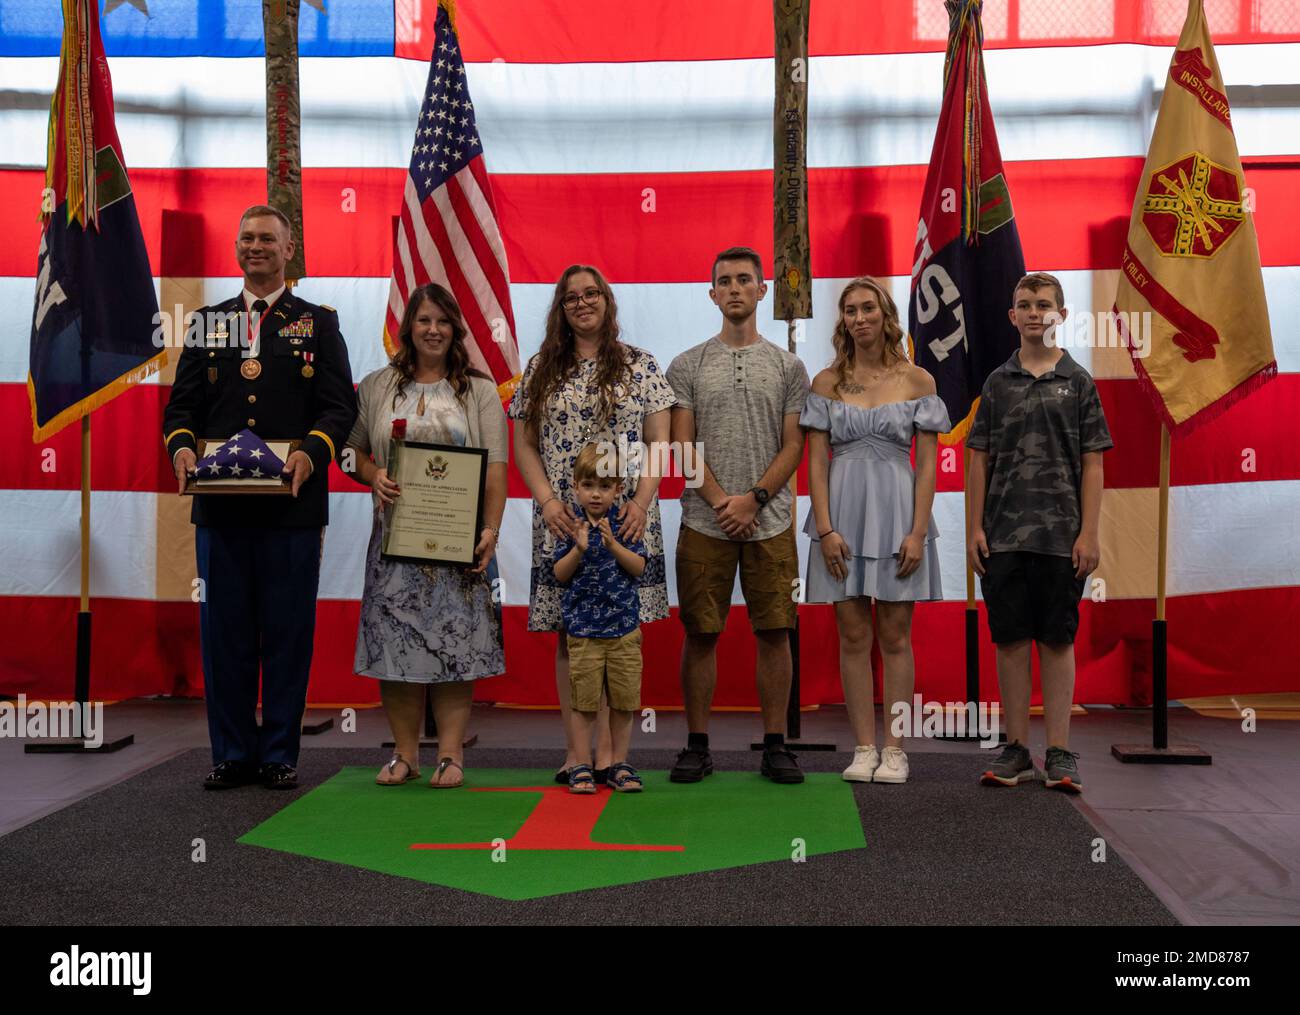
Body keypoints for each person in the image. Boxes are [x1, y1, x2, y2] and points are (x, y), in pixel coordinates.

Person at [163, 204, 357, 790]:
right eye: (246, 237)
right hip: (221, 508)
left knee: (287, 632)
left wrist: (312, 453)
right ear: (236, 246)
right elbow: (182, 409)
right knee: (225, 634)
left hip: (291, 508)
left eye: (267, 238)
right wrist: (181, 450)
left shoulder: (318, 323)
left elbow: (338, 407)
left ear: (289, 248)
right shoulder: (206, 322)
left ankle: (278, 753)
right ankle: (230, 754)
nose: (256, 247)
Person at [509, 265, 675, 784]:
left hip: (626, 519)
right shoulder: (541, 368)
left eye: (591, 294)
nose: (582, 303)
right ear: (561, 309)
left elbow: (660, 444)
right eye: (571, 297)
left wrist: (642, 503)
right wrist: (547, 502)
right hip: (563, 522)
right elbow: (524, 444)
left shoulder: (639, 366)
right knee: (571, 633)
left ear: (607, 300)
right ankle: (576, 752)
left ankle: (611, 754)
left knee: (619, 635)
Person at [346, 283, 508, 788]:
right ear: (408, 328)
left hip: (463, 544)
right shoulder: (377, 386)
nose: (433, 329)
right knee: (396, 646)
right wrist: (373, 475)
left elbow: (497, 472)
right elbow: (349, 453)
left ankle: (452, 755)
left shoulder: (478, 390)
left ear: (455, 328)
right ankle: (404, 754)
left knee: (457, 646)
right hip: (397, 541)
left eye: (442, 321)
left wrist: (490, 530)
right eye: (423, 320)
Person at [666, 246, 809, 784]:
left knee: (775, 630)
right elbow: (681, 446)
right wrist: (725, 501)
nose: (733, 288)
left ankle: (775, 744)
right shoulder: (686, 365)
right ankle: (697, 744)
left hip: (768, 521)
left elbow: (794, 446)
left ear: (761, 291)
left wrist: (754, 499)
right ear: (711, 293)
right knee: (701, 632)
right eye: (723, 280)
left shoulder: (789, 366)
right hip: (706, 521)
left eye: (744, 280)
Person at [967, 272, 1112, 793]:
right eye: (1025, 304)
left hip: (1060, 538)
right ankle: (1015, 749)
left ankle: (1059, 752)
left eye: (1045, 305)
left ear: (1061, 315)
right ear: (1012, 316)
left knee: (1056, 640)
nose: (1034, 312)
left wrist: (1089, 533)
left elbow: (1093, 464)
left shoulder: (1079, 383)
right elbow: (978, 459)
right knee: (1009, 640)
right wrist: (974, 529)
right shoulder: (996, 383)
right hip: (1003, 535)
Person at [802, 277, 949, 785]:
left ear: (886, 315)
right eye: (849, 310)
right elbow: (815, 464)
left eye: (868, 308)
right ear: (841, 320)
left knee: (894, 635)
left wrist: (916, 532)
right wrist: (824, 529)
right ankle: (863, 747)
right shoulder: (825, 383)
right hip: (840, 516)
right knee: (852, 633)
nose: (859, 317)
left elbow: (928, 468)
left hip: (898, 516)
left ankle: (896, 749)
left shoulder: (918, 382)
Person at [552, 443, 648, 793]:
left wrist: (613, 546)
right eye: (589, 486)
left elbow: (639, 567)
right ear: (575, 487)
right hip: (583, 632)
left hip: (623, 629)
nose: (596, 494)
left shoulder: (626, 525)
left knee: (623, 701)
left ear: (618, 489)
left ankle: (618, 764)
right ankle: (580, 763)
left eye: (605, 487)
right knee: (584, 703)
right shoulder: (570, 527)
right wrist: (578, 549)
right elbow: (560, 575)